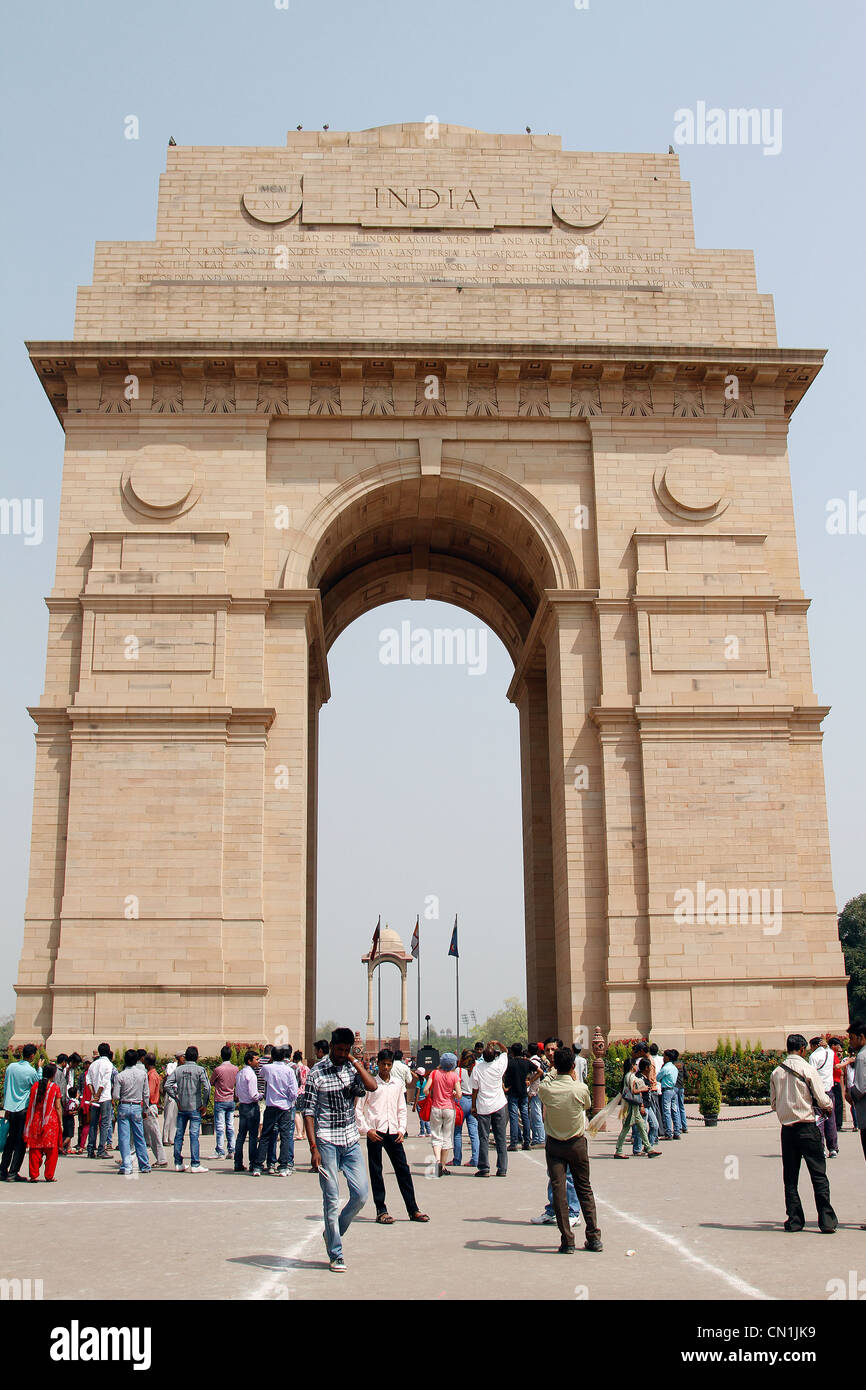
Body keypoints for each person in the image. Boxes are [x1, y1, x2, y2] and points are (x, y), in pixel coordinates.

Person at [303, 1026, 377, 1273]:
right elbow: (308, 1112)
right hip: (327, 1141)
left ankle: (332, 1233)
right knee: (332, 1199)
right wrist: (313, 1148)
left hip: (351, 1139)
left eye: (347, 1050)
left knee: (361, 1195)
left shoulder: (351, 1067)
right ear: (331, 1047)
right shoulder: (316, 1073)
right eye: (340, 1050)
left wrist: (355, 1061)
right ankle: (336, 1253)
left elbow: (372, 1086)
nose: (343, 1054)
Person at [769, 1033, 836, 1233]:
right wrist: (828, 1106)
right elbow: (822, 1099)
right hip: (808, 1127)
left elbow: (774, 1104)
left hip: (787, 1130)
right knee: (818, 1175)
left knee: (790, 1178)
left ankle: (795, 1219)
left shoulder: (776, 1072)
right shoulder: (808, 1069)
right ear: (802, 1049)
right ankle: (826, 1220)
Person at [539, 1045, 603, 1253]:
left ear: (555, 1065)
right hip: (577, 1144)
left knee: (559, 1191)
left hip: (555, 1146)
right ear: (573, 1066)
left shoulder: (547, 1089)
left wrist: (552, 1071)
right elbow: (587, 1105)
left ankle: (567, 1240)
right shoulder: (580, 1089)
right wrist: (572, 1078)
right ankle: (594, 1238)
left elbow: (544, 1083)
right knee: (584, 1188)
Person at [357, 1049, 428, 1224]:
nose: (386, 1068)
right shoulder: (370, 1083)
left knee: (403, 1170)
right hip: (376, 1132)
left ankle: (413, 1209)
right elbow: (358, 1110)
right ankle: (381, 1210)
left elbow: (401, 1108)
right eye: (383, 1064)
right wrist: (367, 1130)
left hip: (394, 1131)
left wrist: (402, 1129)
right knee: (376, 1171)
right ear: (378, 1064)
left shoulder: (398, 1084)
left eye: (389, 1064)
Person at [164, 1045, 212, 1173]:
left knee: (179, 1135)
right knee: (194, 1135)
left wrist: (176, 1098)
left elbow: (167, 1085)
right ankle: (195, 1164)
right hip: (195, 1106)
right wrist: (205, 1103)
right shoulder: (200, 1070)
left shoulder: (179, 1070)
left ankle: (178, 1162)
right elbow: (207, 1087)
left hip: (182, 1106)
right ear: (197, 1057)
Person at [252, 1046, 298, 1176]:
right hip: (285, 1106)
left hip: (271, 1105)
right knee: (285, 1136)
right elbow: (293, 1090)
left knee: (265, 1136)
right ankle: (283, 1166)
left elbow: (262, 1075)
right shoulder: (289, 1070)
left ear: (272, 1056)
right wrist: (290, 1100)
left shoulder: (267, 1068)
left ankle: (258, 1166)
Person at [1, 1044, 42, 1182]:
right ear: (32, 1055)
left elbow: (6, 1087)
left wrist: (6, 1106)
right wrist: (40, 1069)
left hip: (10, 1108)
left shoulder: (11, 1067)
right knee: (20, 1142)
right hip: (23, 1110)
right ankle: (13, 1172)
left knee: (10, 1141)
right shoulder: (31, 1071)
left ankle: (2, 1170)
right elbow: (38, 1086)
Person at [470, 1039, 509, 1177]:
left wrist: (473, 1106)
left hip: (483, 1107)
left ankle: (484, 1168)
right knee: (501, 1137)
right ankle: (502, 1168)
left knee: (484, 1138)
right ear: (495, 1056)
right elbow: (505, 1051)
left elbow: (475, 1090)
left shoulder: (477, 1068)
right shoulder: (499, 1065)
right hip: (499, 1104)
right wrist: (497, 1042)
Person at [112, 1048, 152, 1176]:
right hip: (136, 1106)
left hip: (124, 1105)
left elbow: (116, 1095)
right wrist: (146, 1108)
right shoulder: (142, 1074)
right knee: (139, 1136)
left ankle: (127, 1165)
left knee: (124, 1138)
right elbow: (146, 1094)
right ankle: (144, 1164)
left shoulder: (120, 1075)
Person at [24, 1061, 63, 1183]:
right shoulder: (54, 1088)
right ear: (53, 1074)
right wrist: (61, 1122)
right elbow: (58, 1107)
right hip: (50, 1121)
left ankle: (33, 1175)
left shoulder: (35, 1086)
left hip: (36, 1120)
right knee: (51, 1150)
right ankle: (49, 1175)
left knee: (35, 1148)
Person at [614, 1057, 661, 1158]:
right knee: (627, 1128)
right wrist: (644, 1089)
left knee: (641, 1127)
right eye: (635, 1065)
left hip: (633, 1106)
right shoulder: (630, 1076)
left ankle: (649, 1148)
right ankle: (619, 1150)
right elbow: (633, 1091)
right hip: (632, 1106)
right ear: (632, 1066)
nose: (636, 1066)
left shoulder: (628, 1076)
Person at [428, 1052, 461, 1176]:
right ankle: (443, 1165)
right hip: (449, 1108)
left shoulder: (434, 1073)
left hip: (436, 1108)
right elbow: (459, 1094)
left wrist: (431, 1094)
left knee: (436, 1136)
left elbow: (426, 1089)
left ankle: (437, 1161)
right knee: (447, 1137)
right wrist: (453, 1093)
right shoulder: (454, 1076)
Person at [846, 1022, 866, 1212]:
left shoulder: (861, 1056)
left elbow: (860, 1088)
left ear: (862, 1037)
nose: (850, 1042)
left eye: (852, 1038)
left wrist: (849, 1093)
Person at [808, 1036, 839, 1157]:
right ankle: (833, 1148)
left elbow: (811, 1075)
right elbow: (829, 1049)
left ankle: (821, 1148)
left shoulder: (814, 1056)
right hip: (829, 1090)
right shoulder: (830, 1053)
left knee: (819, 1120)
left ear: (815, 1045)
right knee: (830, 1120)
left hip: (818, 1092)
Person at [85, 1043, 115, 1159]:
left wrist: (93, 1094)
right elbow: (104, 1082)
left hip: (95, 1098)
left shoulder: (93, 1064)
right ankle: (101, 1150)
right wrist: (97, 1095)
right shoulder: (108, 1064)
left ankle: (90, 1149)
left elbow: (88, 1080)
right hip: (104, 1097)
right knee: (104, 1124)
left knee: (93, 1123)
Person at [234, 1050, 261, 1173]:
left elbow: (237, 1092)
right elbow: (253, 1094)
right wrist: (261, 1095)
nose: (258, 1061)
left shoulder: (240, 1073)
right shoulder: (251, 1075)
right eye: (256, 1059)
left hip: (242, 1105)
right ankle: (253, 1163)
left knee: (241, 1135)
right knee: (253, 1137)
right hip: (251, 1106)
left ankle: (238, 1163)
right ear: (250, 1061)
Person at [452, 1049, 480, 1167]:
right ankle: (475, 1159)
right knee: (474, 1132)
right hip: (473, 1100)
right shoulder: (477, 1068)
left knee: (457, 1131)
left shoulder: (458, 1071)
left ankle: (457, 1159)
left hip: (461, 1100)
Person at [211, 1045, 238, 1160]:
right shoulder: (235, 1069)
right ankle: (232, 1149)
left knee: (220, 1127)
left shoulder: (218, 1069)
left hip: (220, 1099)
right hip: (230, 1099)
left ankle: (220, 1150)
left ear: (221, 1056)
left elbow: (212, 1082)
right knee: (230, 1126)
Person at [504, 1043, 533, 1152]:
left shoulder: (509, 1063)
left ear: (512, 1052)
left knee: (514, 1117)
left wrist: (505, 1087)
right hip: (523, 1092)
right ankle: (527, 1142)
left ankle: (514, 1143)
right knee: (525, 1116)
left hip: (512, 1092)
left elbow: (502, 1074)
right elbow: (539, 1071)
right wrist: (530, 1080)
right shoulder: (526, 1062)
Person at [142, 1054, 168, 1167]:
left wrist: (144, 1107)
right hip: (151, 1106)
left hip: (149, 1106)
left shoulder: (151, 1075)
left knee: (154, 1135)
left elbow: (150, 1093)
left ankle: (161, 1159)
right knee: (144, 1135)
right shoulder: (153, 1074)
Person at [632, 1057, 661, 1154]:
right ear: (646, 1067)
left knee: (655, 1125)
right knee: (641, 1128)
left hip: (648, 1105)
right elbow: (638, 1093)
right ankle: (637, 1149)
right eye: (650, 1067)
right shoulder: (639, 1077)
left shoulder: (645, 1077)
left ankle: (648, 1146)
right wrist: (641, 1106)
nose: (651, 1068)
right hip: (643, 1105)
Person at [657, 1049, 682, 1139]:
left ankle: (668, 1132)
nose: (663, 1058)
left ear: (667, 1057)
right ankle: (677, 1131)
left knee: (666, 1111)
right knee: (675, 1111)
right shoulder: (674, 1068)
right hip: (674, 1089)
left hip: (667, 1090)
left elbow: (657, 1077)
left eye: (664, 1056)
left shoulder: (666, 1068)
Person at [162, 1052, 184, 1146]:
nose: (184, 1059)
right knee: (168, 1115)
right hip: (171, 1091)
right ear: (179, 1057)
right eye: (183, 1057)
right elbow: (170, 1075)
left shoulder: (184, 1067)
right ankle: (165, 1138)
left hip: (179, 1092)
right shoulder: (171, 1066)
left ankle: (172, 1138)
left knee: (175, 1116)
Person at [829, 1037, 845, 1132]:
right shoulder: (832, 1054)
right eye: (837, 1045)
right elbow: (836, 1066)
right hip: (834, 1081)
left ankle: (838, 1124)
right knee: (838, 1103)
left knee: (838, 1103)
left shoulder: (834, 1054)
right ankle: (838, 1124)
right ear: (833, 1046)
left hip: (836, 1080)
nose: (839, 1047)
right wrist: (848, 1062)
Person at [413, 1067, 431, 1137]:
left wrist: (414, 1105)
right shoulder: (425, 1080)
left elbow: (417, 1094)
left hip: (419, 1100)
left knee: (421, 1117)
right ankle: (429, 1131)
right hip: (424, 1098)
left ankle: (422, 1132)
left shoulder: (418, 1083)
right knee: (425, 1115)